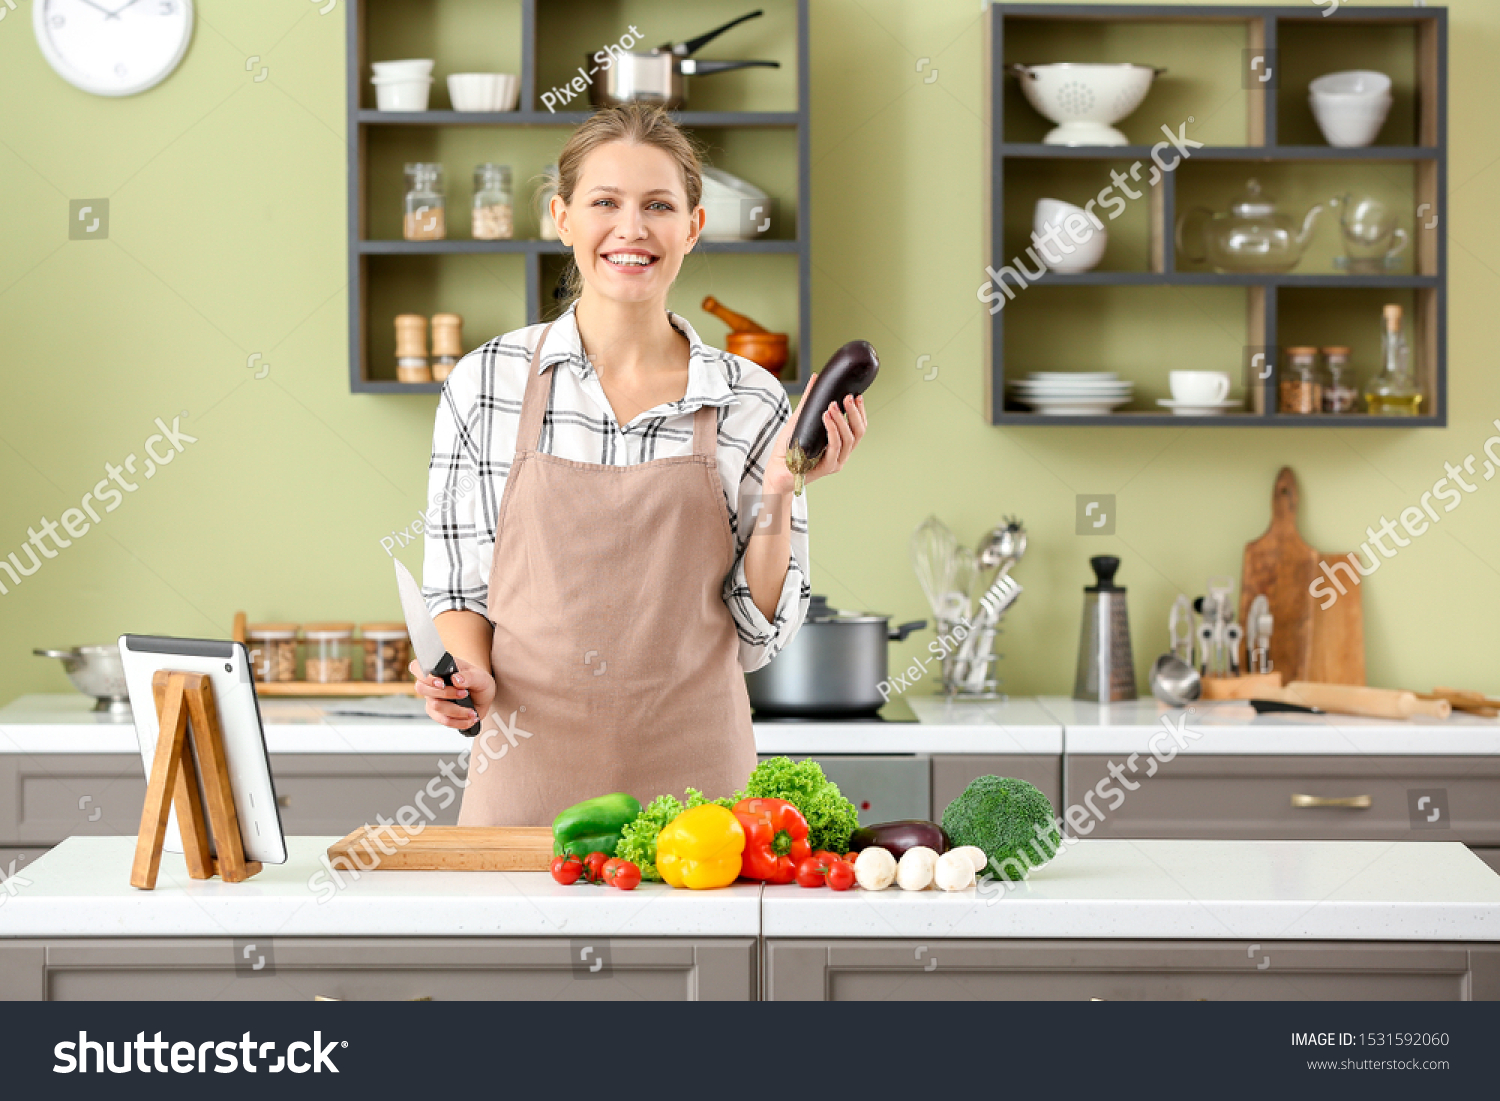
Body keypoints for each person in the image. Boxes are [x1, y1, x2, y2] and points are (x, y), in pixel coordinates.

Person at [414, 104, 866, 826]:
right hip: (526, 785)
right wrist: (469, 678)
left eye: (659, 205)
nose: (632, 229)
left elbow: (758, 639)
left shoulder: (750, 398)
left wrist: (782, 492)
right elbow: (458, 585)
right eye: (605, 203)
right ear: (562, 218)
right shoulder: (485, 381)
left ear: (693, 227)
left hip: (703, 805)